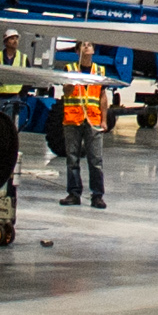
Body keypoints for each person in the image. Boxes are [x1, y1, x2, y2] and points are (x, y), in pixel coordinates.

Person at [57, 46, 107, 209]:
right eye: (83, 45)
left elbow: (102, 96)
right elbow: (66, 91)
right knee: (72, 158)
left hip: (93, 119)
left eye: (89, 45)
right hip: (73, 118)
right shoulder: (70, 69)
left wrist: (104, 120)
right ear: (78, 52)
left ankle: (97, 195)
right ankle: (74, 193)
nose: (87, 47)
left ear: (93, 50)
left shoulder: (99, 71)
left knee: (95, 160)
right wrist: (73, 80)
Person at [0, 30, 25, 126]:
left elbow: (28, 78)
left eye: (16, 39)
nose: (15, 41)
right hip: (1, 97)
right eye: (12, 38)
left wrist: (22, 94)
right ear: (6, 41)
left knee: (11, 126)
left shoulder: (23, 58)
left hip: (15, 97)